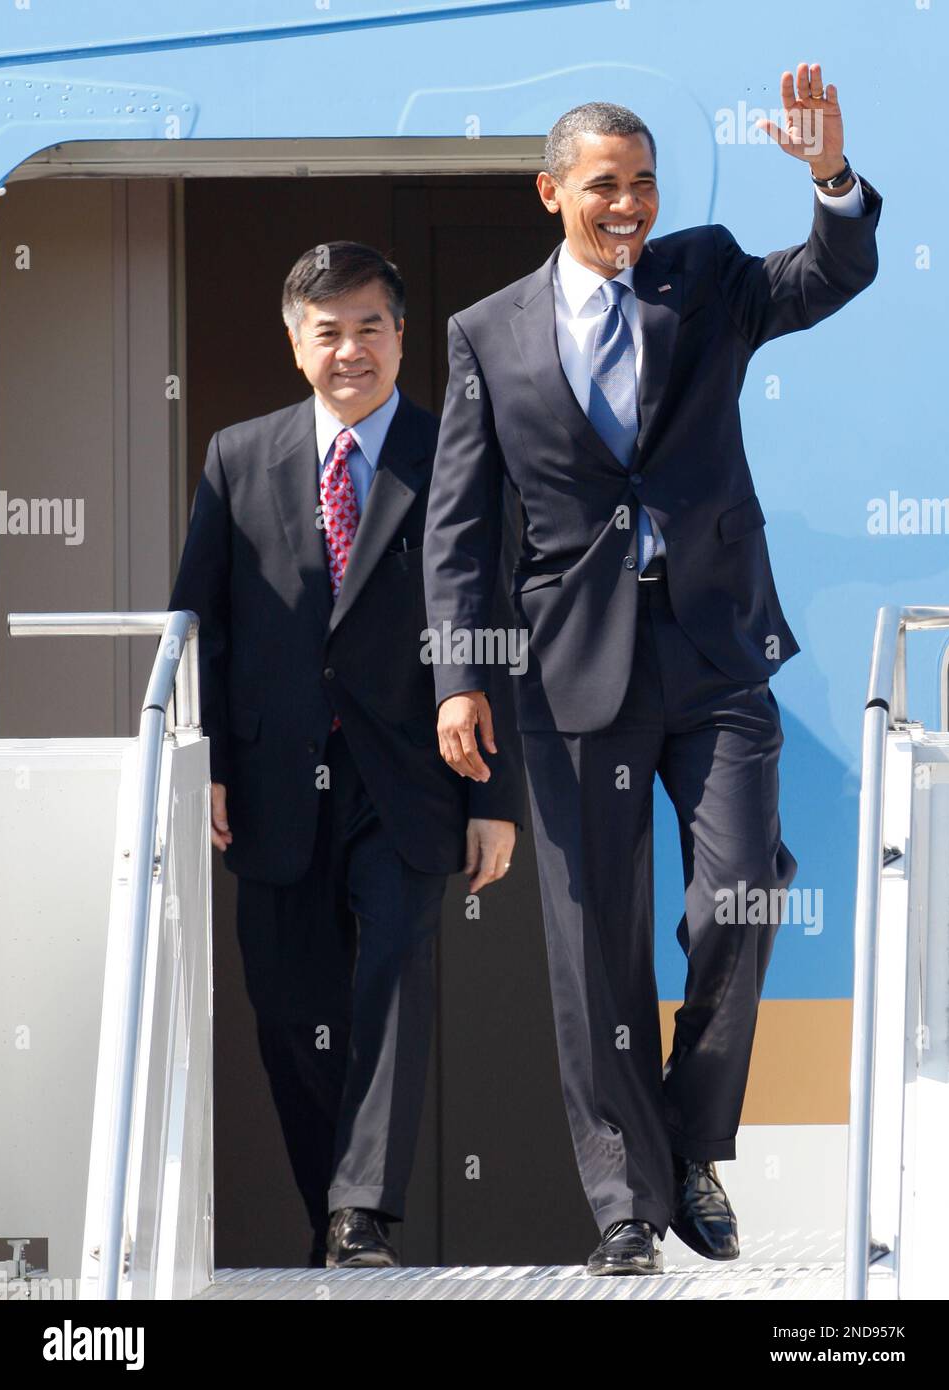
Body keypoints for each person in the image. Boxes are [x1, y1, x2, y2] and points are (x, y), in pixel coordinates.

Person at [422, 66, 881, 1275]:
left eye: (641, 185)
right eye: (600, 188)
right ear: (549, 192)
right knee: (592, 943)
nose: (625, 208)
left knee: (740, 886)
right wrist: (458, 675)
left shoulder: (706, 273)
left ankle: (689, 1138)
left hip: (716, 647)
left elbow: (827, 274)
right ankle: (623, 1202)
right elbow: (460, 522)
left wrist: (830, 180)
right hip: (571, 663)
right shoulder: (485, 333)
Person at [169, 240, 523, 1269]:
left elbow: (491, 622)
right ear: (294, 344)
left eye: (372, 327)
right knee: (287, 1006)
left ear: (401, 336)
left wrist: (494, 793)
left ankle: (360, 1209)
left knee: (393, 983)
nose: (352, 350)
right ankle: (333, 1205)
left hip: (411, 774)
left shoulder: (454, 446)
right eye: (328, 331)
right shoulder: (238, 456)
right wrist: (212, 762)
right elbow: (206, 617)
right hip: (274, 776)